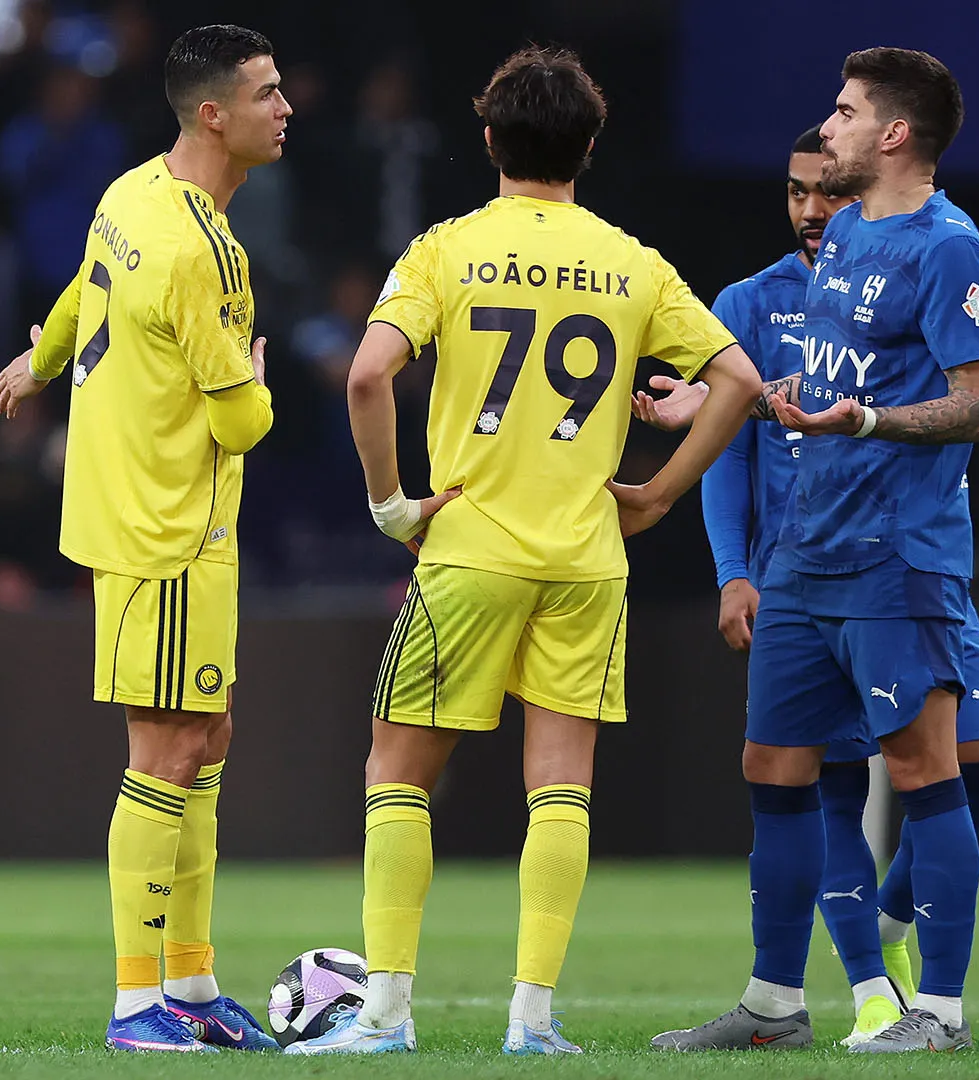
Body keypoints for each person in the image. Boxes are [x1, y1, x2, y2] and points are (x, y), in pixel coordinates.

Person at [283, 46, 762, 1057]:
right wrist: (663, 492)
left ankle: (385, 1016)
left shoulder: (446, 248)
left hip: (468, 549)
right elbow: (740, 384)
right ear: (588, 145)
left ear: (490, 140)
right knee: (562, 787)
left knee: (398, 775)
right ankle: (532, 1022)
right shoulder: (632, 261)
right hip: (586, 558)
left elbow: (368, 377)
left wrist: (390, 505)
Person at [651, 48, 979, 1055]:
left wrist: (871, 421)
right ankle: (772, 1006)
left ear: (893, 135)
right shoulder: (844, 235)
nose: (830, 127)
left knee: (924, 764)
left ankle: (938, 1011)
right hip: (805, 549)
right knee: (773, 763)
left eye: (846, 113)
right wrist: (709, 401)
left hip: (896, 553)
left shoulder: (952, 251)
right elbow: (807, 385)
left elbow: (976, 410)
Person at [0, 24, 291, 1054]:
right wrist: (256, 381)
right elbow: (241, 424)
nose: (285, 108)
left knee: (207, 738)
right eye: (267, 93)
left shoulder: (130, 193)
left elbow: (84, 282)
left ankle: (193, 983)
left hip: (157, 516)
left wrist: (43, 359)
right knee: (165, 750)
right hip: (167, 524)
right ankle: (135, 1004)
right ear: (216, 115)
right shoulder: (205, 251)